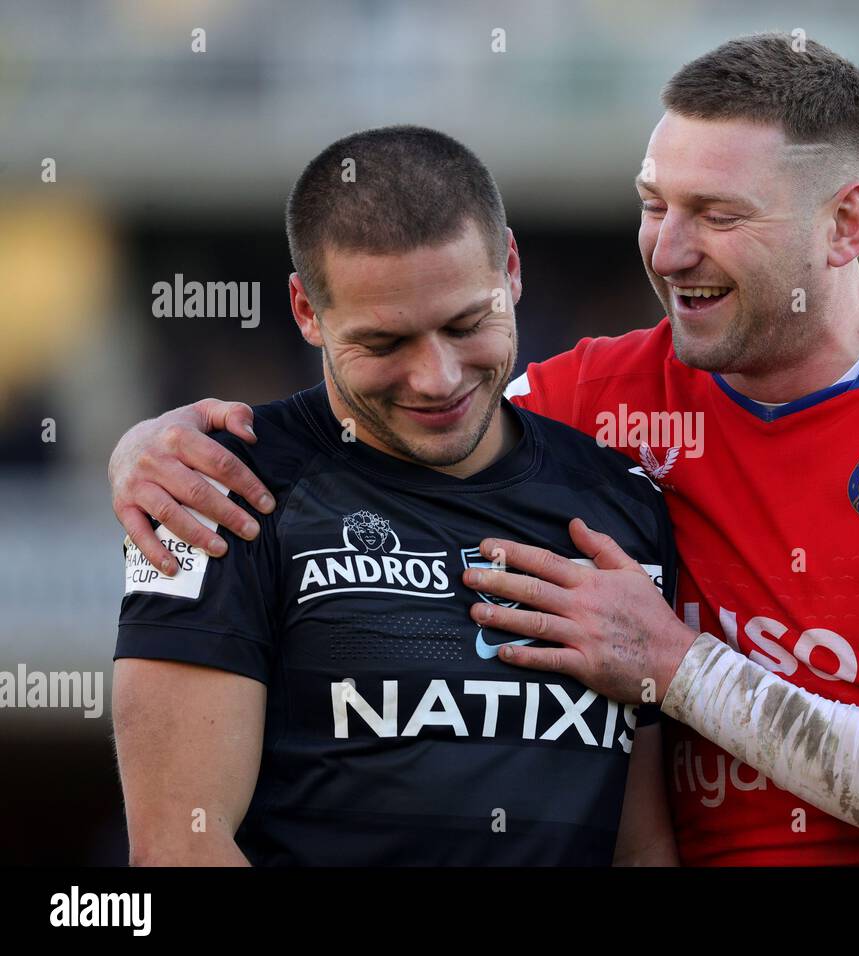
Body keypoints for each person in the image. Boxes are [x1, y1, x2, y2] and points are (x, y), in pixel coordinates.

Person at [109, 35, 859, 866]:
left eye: (717, 215)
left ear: (844, 222)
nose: (666, 250)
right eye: (653, 202)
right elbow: (398, 425)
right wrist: (150, 449)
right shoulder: (585, 403)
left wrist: (676, 664)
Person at [113, 126, 678, 866]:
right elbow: (178, 847)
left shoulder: (622, 505)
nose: (437, 378)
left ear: (511, 267)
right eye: (384, 345)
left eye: (466, 324)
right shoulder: (213, 493)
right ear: (307, 311)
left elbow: (640, 850)